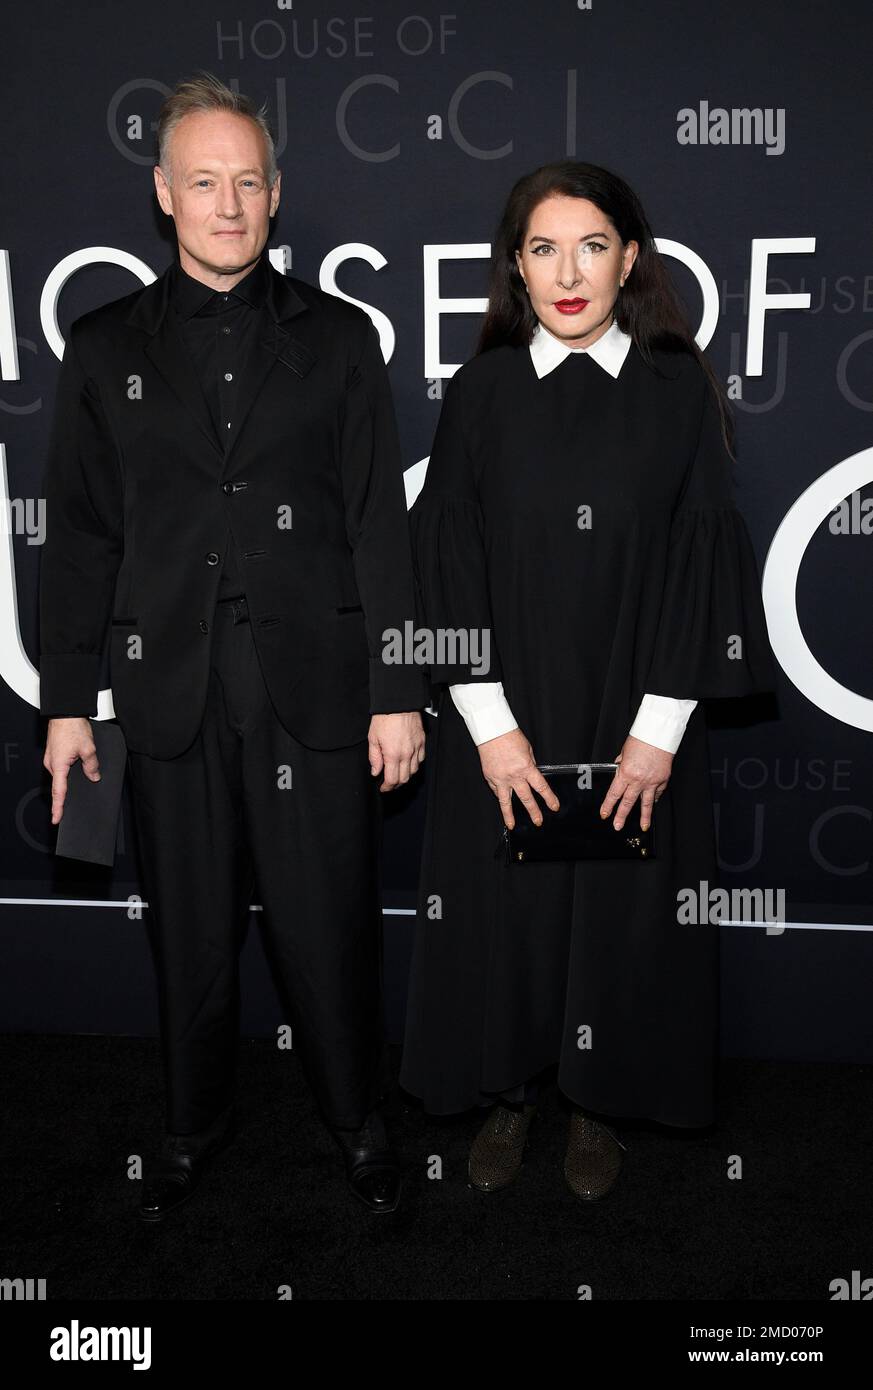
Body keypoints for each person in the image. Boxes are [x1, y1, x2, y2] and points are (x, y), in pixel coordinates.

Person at [38, 73, 427, 1219]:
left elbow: (374, 526)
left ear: (274, 195)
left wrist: (399, 689)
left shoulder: (343, 337)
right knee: (190, 935)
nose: (227, 202)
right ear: (163, 195)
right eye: (202, 181)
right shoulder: (101, 345)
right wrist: (69, 701)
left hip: (314, 688)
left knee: (332, 928)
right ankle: (189, 1125)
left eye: (246, 180)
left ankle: (360, 1123)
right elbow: (80, 538)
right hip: (165, 692)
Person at [400, 160, 776, 1201]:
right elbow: (446, 561)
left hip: (636, 707)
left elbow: (702, 561)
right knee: (502, 912)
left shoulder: (673, 391)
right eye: (543, 248)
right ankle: (514, 1090)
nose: (569, 272)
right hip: (505, 715)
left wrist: (658, 732)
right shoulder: (479, 395)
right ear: (515, 269)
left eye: (593, 245)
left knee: (622, 914)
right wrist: (488, 723)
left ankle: (598, 1099)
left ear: (632, 258)